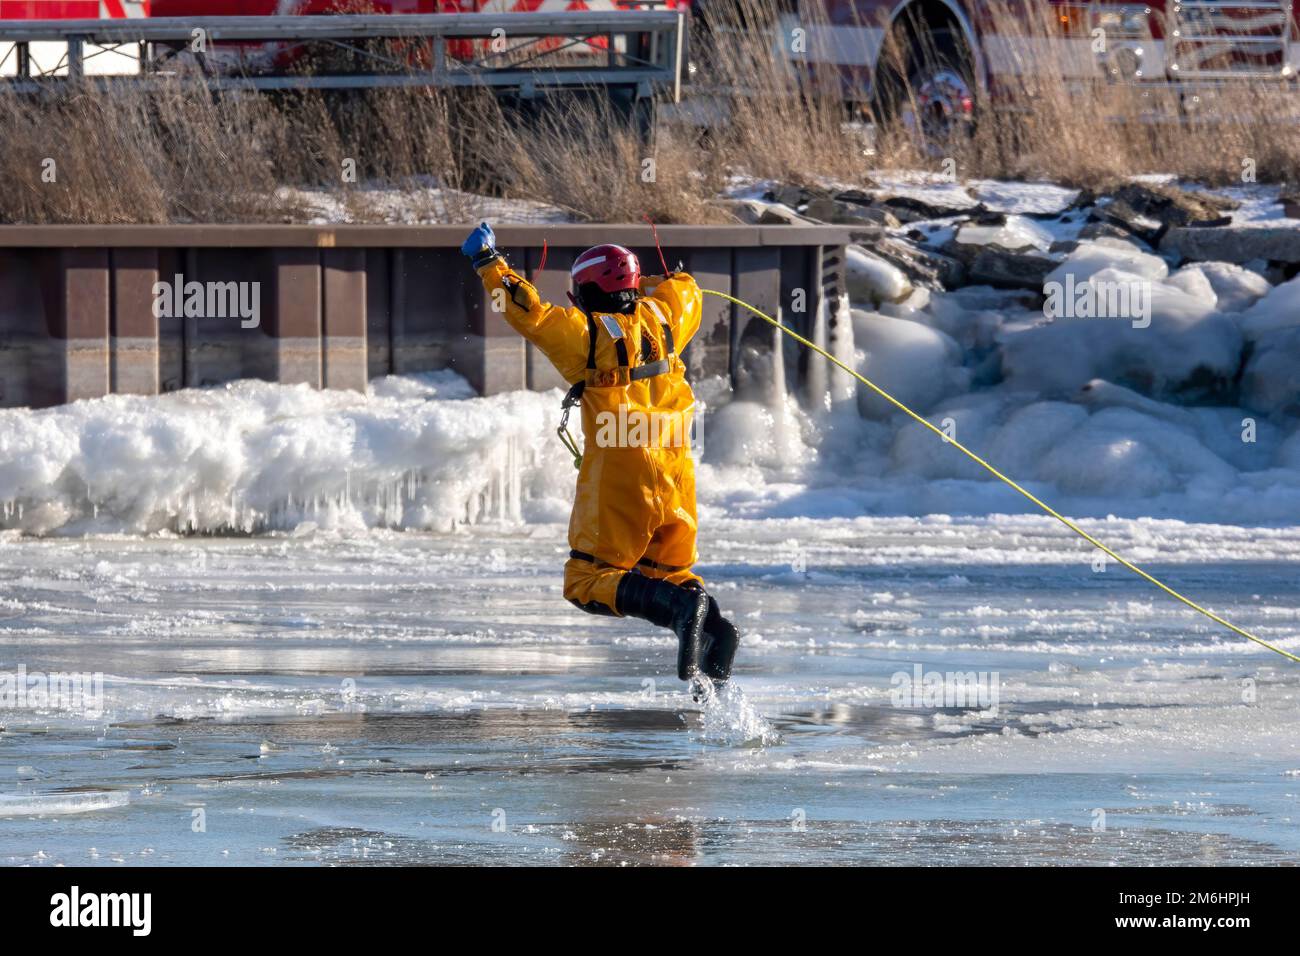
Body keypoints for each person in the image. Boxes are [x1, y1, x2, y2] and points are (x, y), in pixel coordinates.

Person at [461, 222, 739, 687]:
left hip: (622, 464)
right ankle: (713, 629)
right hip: (676, 467)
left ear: (585, 292)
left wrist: (489, 263)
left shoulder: (583, 333)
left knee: (587, 581)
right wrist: (639, 281)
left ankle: (685, 610)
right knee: (665, 571)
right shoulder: (667, 317)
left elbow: (526, 310)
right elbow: (684, 286)